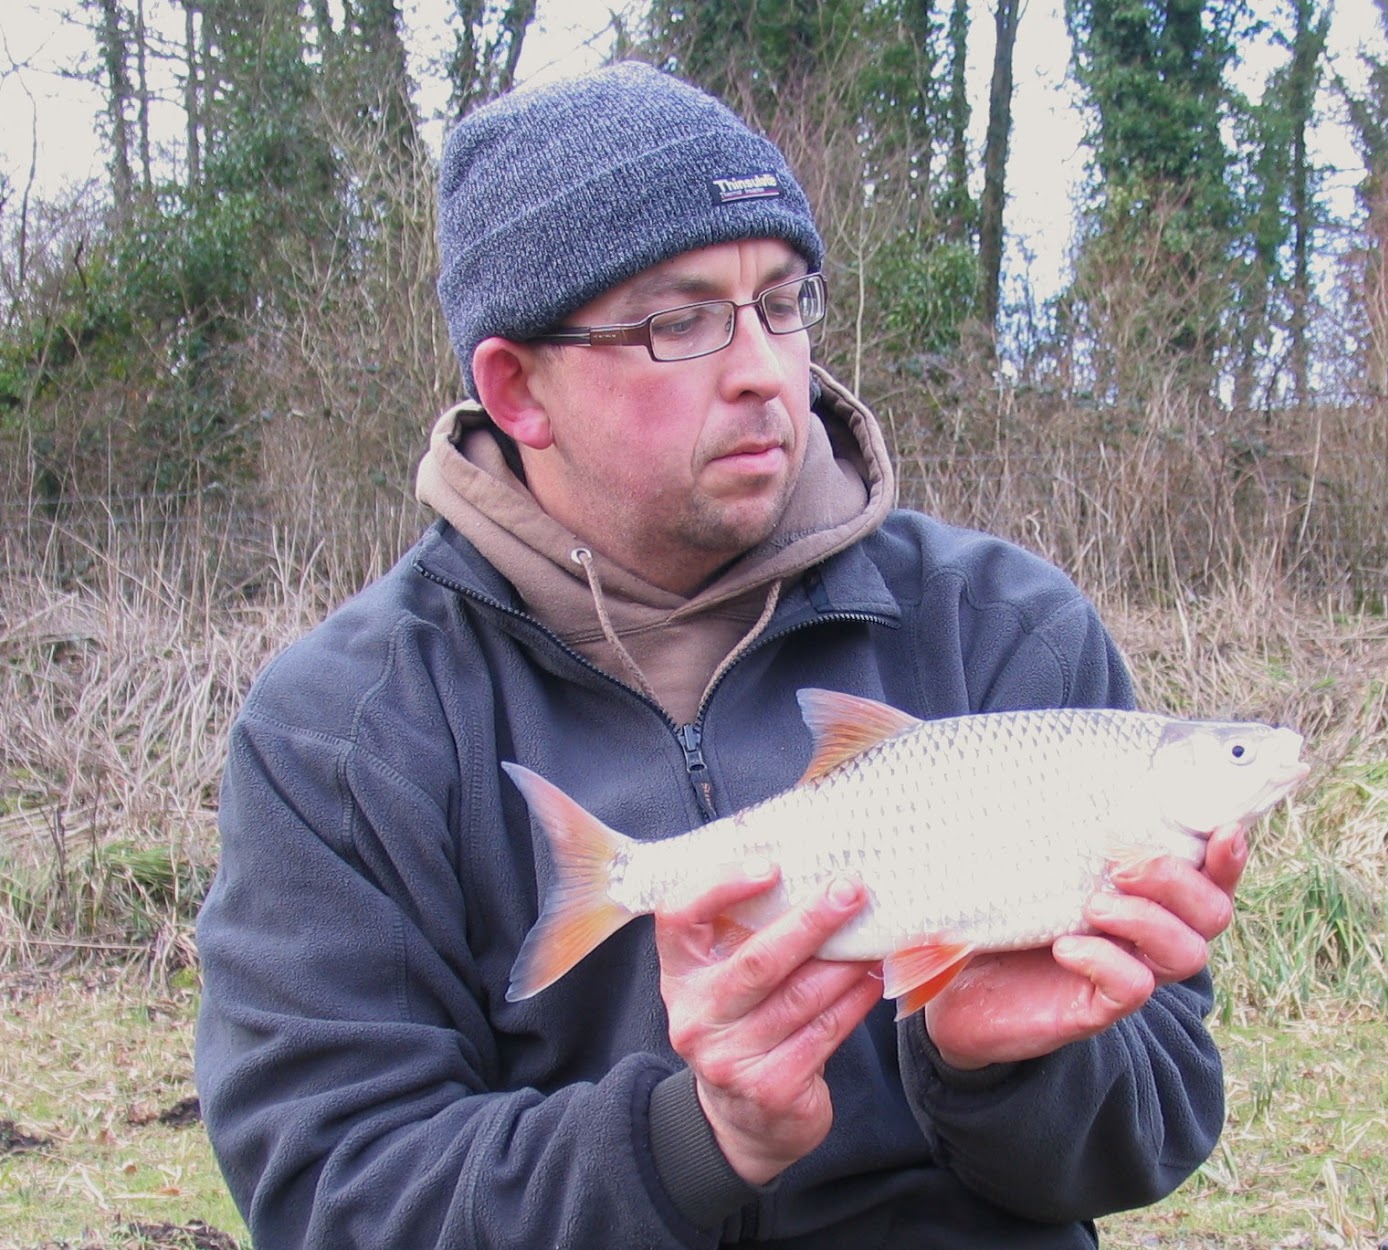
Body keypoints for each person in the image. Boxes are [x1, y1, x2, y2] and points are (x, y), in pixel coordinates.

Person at [195, 61, 1248, 1249]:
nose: (762, 366)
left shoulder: (1000, 625)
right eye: (680, 320)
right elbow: (335, 1194)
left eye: (783, 300)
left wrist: (1009, 1065)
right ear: (517, 388)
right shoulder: (342, 727)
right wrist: (695, 1142)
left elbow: (1157, 1124)